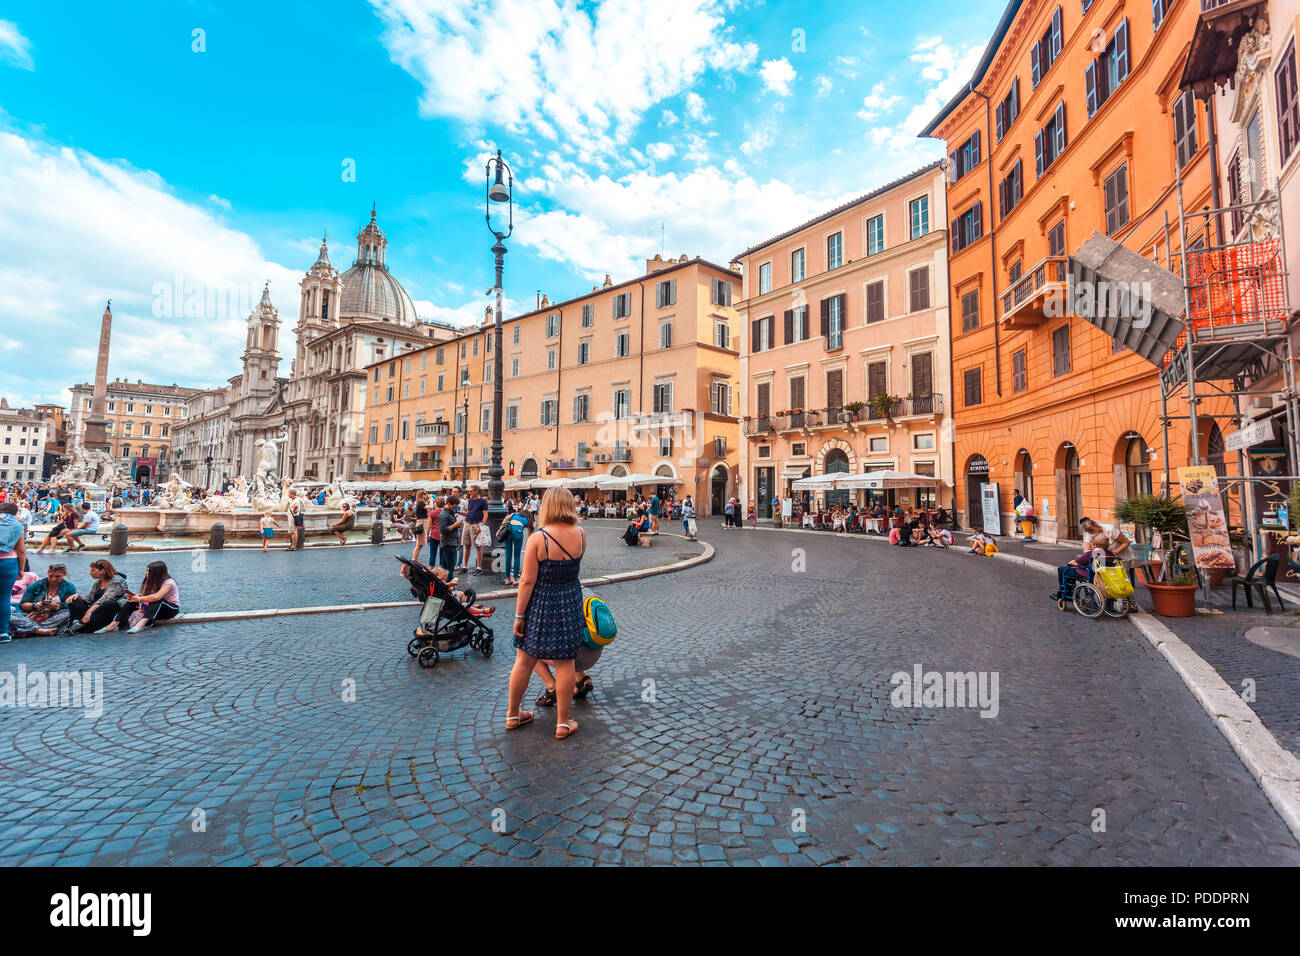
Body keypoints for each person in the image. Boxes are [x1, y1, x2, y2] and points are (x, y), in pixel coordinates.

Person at [506, 487, 587, 739]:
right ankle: (563, 723)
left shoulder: (538, 539)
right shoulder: (582, 535)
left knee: (524, 660)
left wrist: (519, 616)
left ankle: (512, 715)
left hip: (540, 604)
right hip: (570, 602)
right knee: (566, 663)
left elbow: (527, 582)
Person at [103, 561, 180, 633]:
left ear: (158, 573)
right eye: (147, 570)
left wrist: (139, 598)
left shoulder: (169, 583)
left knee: (158, 600)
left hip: (169, 610)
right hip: (152, 609)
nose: (146, 573)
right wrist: (135, 597)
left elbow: (157, 597)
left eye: (149, 572)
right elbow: (144, 595)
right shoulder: (149, 580)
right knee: (132, 600)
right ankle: (114, 624)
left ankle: (140, 625)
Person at [11, 562, 76, 637]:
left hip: (53, 616)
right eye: (51, 576)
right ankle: (39, 630)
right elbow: (23, 605)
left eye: (58, 576)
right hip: (32, 614)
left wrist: (57, 607)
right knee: (8, 614)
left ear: (64, 575)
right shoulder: (37, 585)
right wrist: (34, 605)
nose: (53, 579)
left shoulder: (69, 587)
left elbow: (70, 606)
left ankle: (26, 629)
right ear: (47, 574)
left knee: (68, 613)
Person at [67, 559, 129, 633]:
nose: (90, 573)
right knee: (74, 601)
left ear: (103, 571)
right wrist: (78, 596)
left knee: (109, 604)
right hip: (94, 609)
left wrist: (89, 612)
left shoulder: (117, 581)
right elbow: (90, 599)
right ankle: (81, 623)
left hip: (109, 610)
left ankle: (83, 626)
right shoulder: (98, 583)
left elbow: (104, 599)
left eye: (93, 571)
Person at [0, 502, 27, 643]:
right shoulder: (17, 525)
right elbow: (21, 550)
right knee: (4, 598)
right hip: (9, 563)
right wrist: (21, 569)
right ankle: (3, 633)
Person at [501, 505, 531, 586]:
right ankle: (515, 579)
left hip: (508, 530)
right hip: (518, 531)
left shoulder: (515, 514)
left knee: (508, 555)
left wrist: (500, 529)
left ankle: (507, 579)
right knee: (517, 556)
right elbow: (530, 535)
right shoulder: (528, 519)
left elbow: (506, 518)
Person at [461, 485, 487, 575]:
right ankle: (464, 567)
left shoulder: (482, 501)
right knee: (466, 545)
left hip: (476, 524)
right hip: (467, 523)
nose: (469, 492)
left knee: (478, 546)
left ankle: (478, 567)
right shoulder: (471, 500)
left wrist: (481, 527)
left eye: (471, 491)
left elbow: (485, 515)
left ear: (476, 491)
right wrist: (461, 513)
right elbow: (469, 513)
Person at [436, 495, 462, 573]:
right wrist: (455, 525)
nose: (455, 508)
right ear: (449, 504)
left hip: (451, 542)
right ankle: (449, 584)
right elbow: (443, 529)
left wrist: (457, 525)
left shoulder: (450, 513)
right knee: (449, 568)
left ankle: (447, 583)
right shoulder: (443, 515)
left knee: (447, 567)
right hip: (448, 543)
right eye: (454, 506)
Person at [411, 490, 430, 564]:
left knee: (419, 544)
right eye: (425, 494)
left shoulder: (420, 503)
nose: (427, 495)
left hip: (421, 522)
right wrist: (431, 499)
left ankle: (415, 560)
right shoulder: (421, 503)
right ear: (422, 495)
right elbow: (431, 507)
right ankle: (414, 560)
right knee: (419, 545)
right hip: (422, 523)